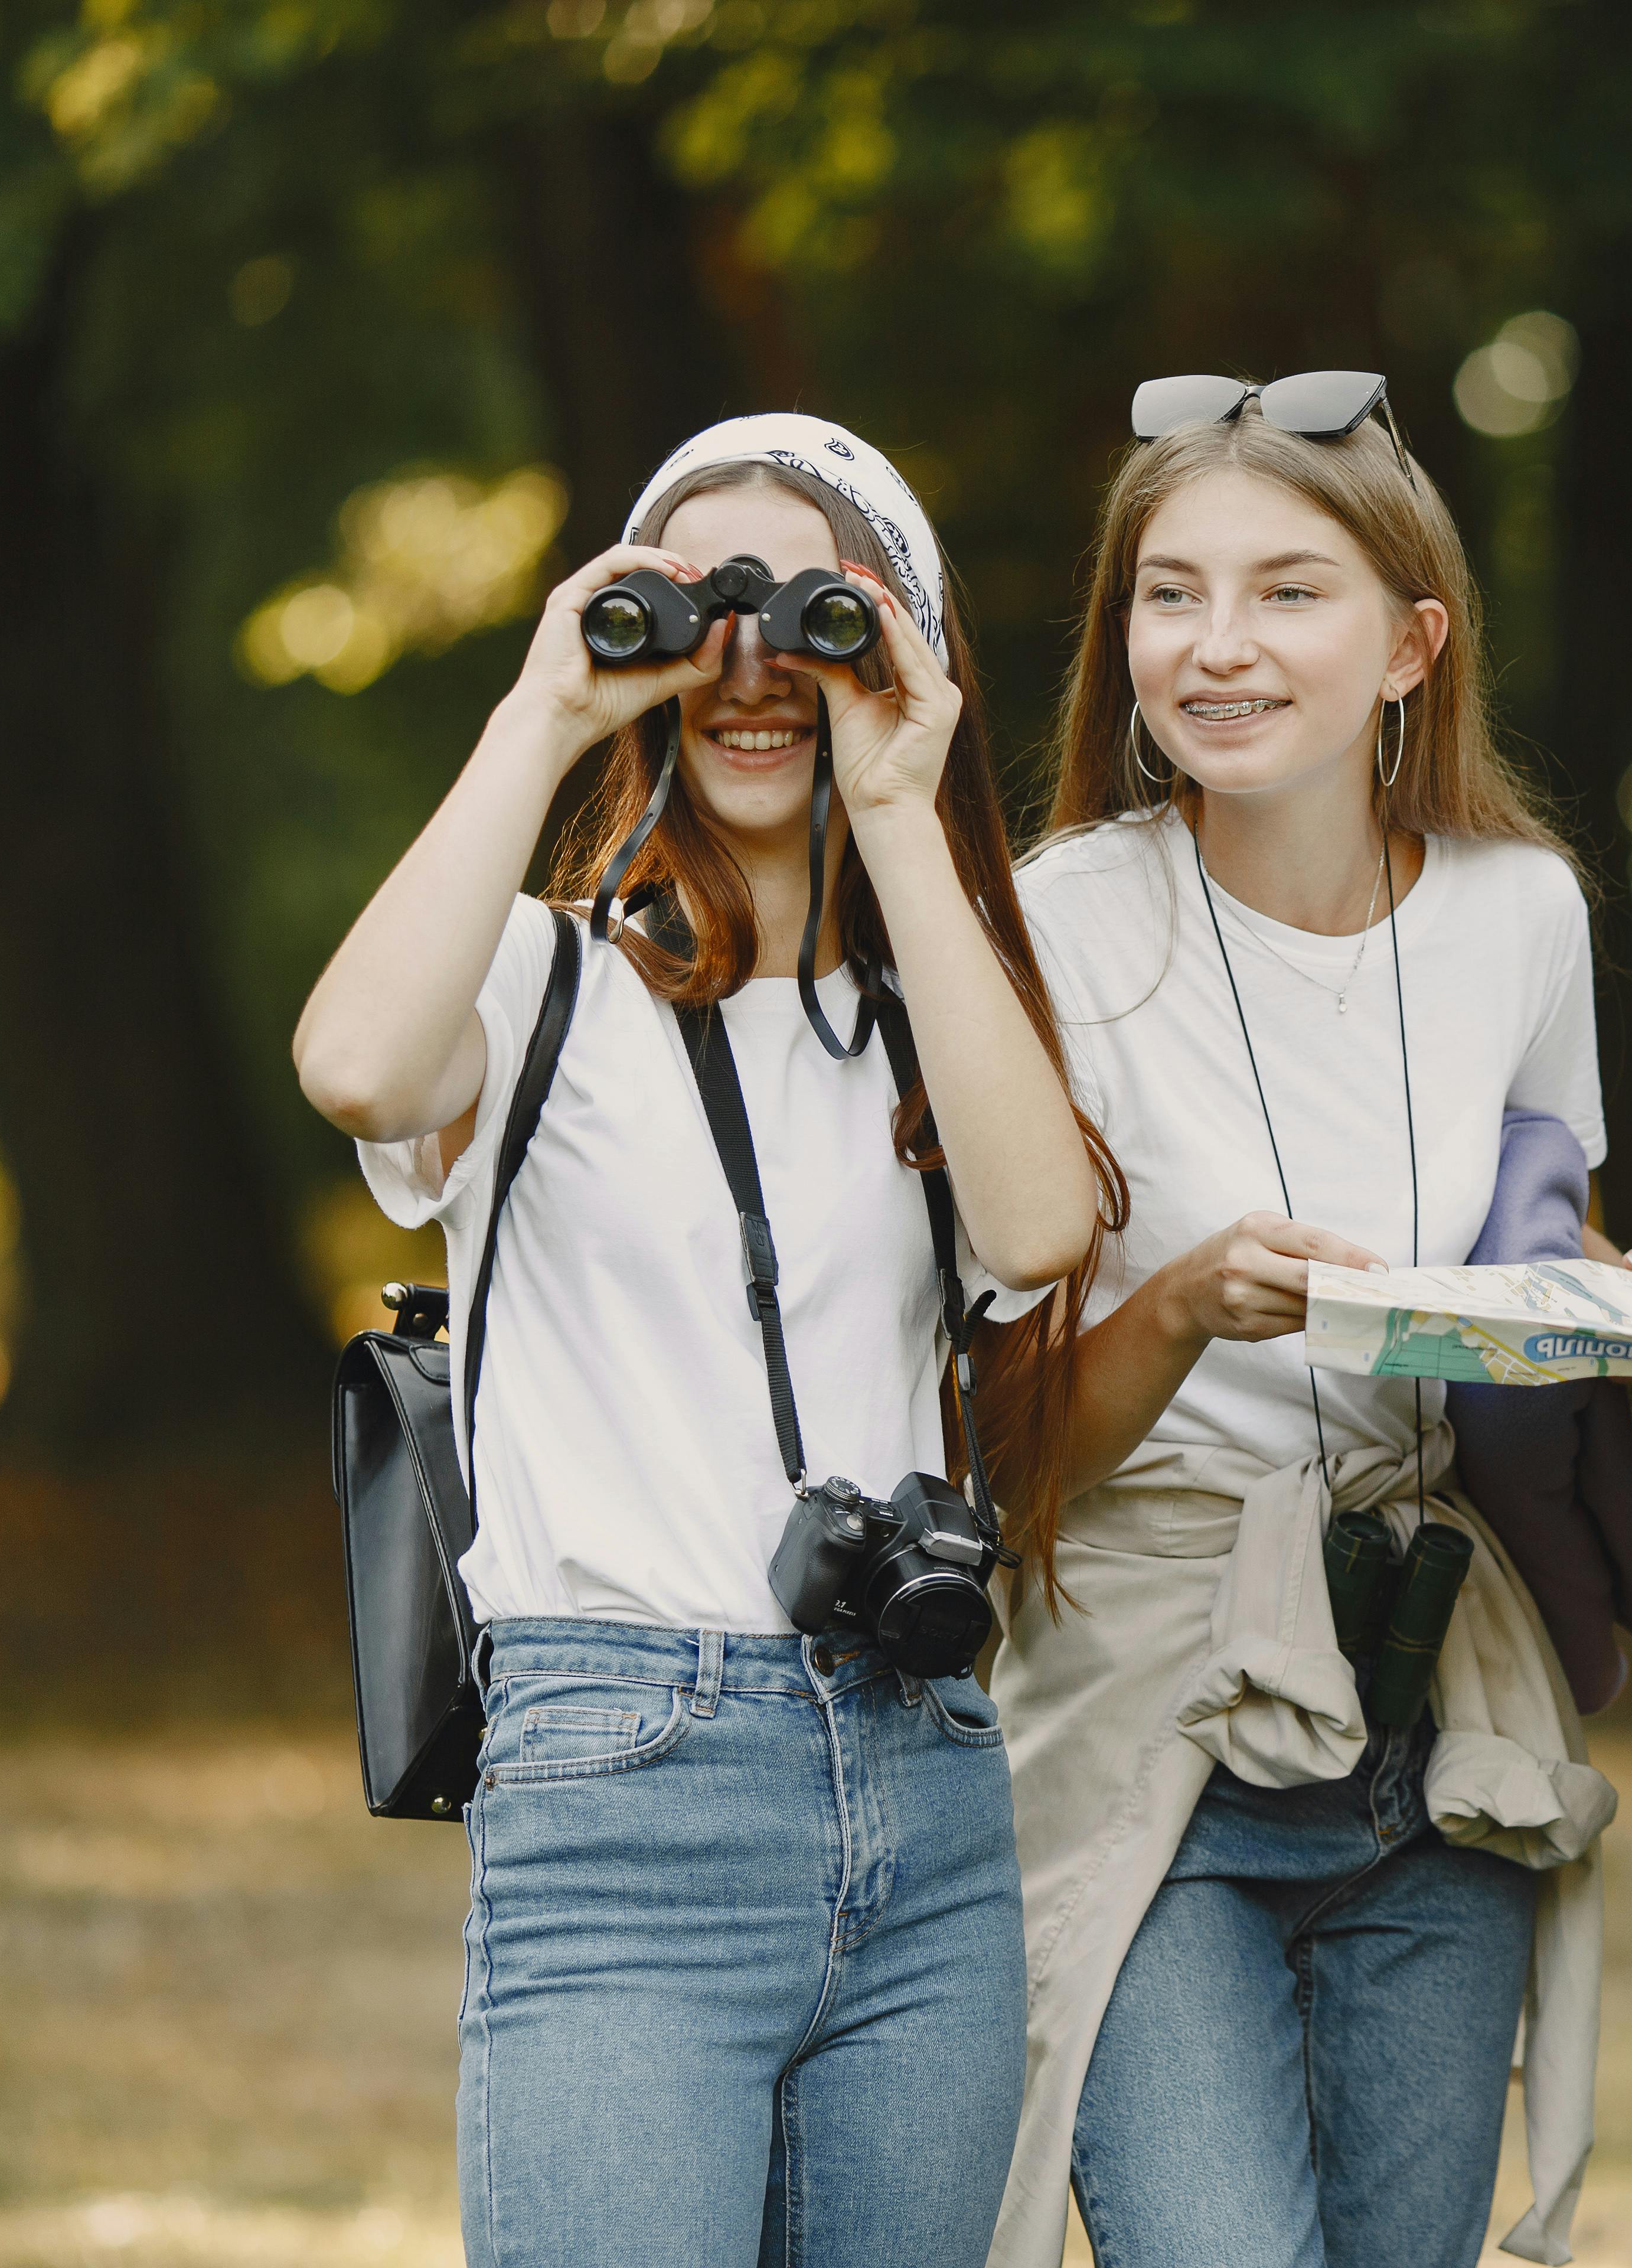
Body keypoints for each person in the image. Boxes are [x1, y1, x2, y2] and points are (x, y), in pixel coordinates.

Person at [292, 414, 1107, 2268]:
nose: (752, 667)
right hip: (623, 1773)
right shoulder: (537, 979)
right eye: (695, 605)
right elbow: (353, 1064)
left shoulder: (935, 1007)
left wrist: (901, 802)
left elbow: (1044, 1232)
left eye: (810, 614)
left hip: (919, 1771)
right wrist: (547, 713)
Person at [986, 375, 1615, 2268]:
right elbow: (1002, 1452)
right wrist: (1183, 1305)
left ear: (1413, 643)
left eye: (1287, 593)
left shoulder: (1528, 913)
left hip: (1437, 1714)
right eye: (1170, 596)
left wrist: (1614, 1302)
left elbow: (1535, 1253)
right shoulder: (1055, 924)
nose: (1217, 646)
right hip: (1156, 1705)